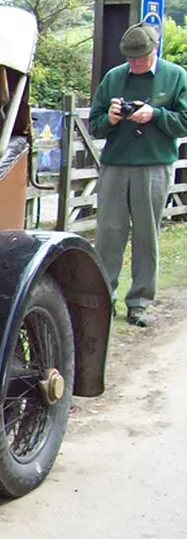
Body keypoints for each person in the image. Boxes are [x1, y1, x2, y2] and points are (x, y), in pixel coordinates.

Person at [89, 22, 187, 327]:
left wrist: (155, 114)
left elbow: (184, 122)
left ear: (153, 50)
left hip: (154, 165)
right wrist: (111, 118)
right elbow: (94, 124)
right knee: (108, 233)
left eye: (140, 59)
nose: (135, 64)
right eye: (130, 59)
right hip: (116, 164)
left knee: (147, 235)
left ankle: (140, 301)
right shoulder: (114, 77)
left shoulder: (176, 76)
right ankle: (104, 298)